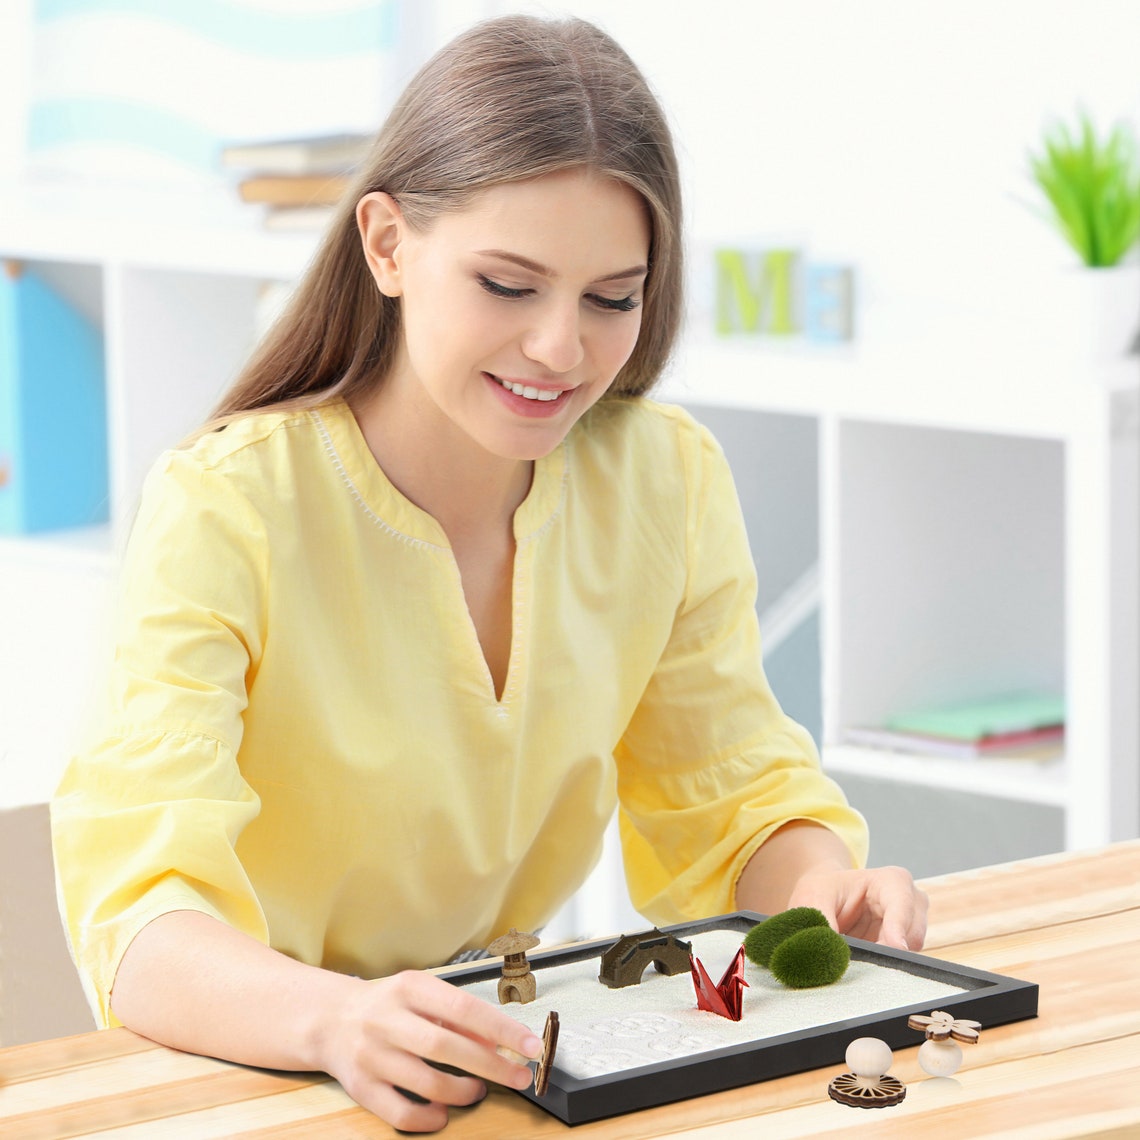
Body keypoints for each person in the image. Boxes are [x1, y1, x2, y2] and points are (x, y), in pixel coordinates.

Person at [51, 13, 926, 1134]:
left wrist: (821, 894)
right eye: (509, 285)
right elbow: (137, 919)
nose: (562, 349)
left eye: (612, 298)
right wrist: (337, 1021)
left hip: (496, 1067)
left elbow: (730, 798)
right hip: (267, 1071)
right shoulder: (228, 504)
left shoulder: (665, 479)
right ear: (387, 245)